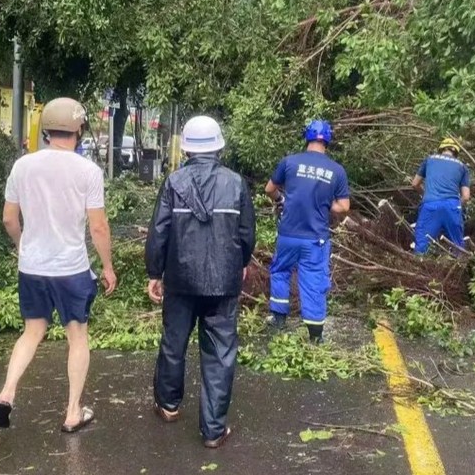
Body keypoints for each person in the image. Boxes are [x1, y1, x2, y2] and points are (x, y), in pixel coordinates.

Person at [0, 97, 117, 433]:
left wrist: (23, 247)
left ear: (46, 130)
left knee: (32, 331)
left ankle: (6, 394)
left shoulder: (22, 166)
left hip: (32, 267)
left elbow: (8, 218)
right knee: (77, 336)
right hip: (71, 269)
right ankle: (73, 412)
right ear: (79, 129)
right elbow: (98, 227)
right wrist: (107, 267)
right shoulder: (88, 171)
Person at [146, 115, 256, 449]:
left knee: (174, 342)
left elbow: (159, 232)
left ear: (187, 149)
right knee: (220, 353)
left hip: (180, 280)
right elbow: (246, 234)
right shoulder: (236, 183)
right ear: (219, 147)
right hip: (223, 281)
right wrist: (241, 263)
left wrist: (155, 273)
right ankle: (213, 431)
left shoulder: (173, 182)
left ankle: (168, 406)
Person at [264, 120, 350, 343]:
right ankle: (315, 336)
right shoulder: (336, 170)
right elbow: (344, 207)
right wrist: (326, 204)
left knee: (280, 271)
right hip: (315, 238)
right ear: (328, 140)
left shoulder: (289, 162)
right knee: (313, 280)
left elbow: (269, 189)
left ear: (307, 137)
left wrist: (281, 199)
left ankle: (278, 320)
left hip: (288, 234)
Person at [411, 138, 471, 253]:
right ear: (456, 152)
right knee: (457, 247)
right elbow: (466, 196)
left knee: (422, 245)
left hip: (430, 204)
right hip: (452, 206)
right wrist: (456, 207)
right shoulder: (462, 167)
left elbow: (415, 184)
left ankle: (419, 262)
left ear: (441, 149)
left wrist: (425, 195)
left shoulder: (429, 160)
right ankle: (458, 262)